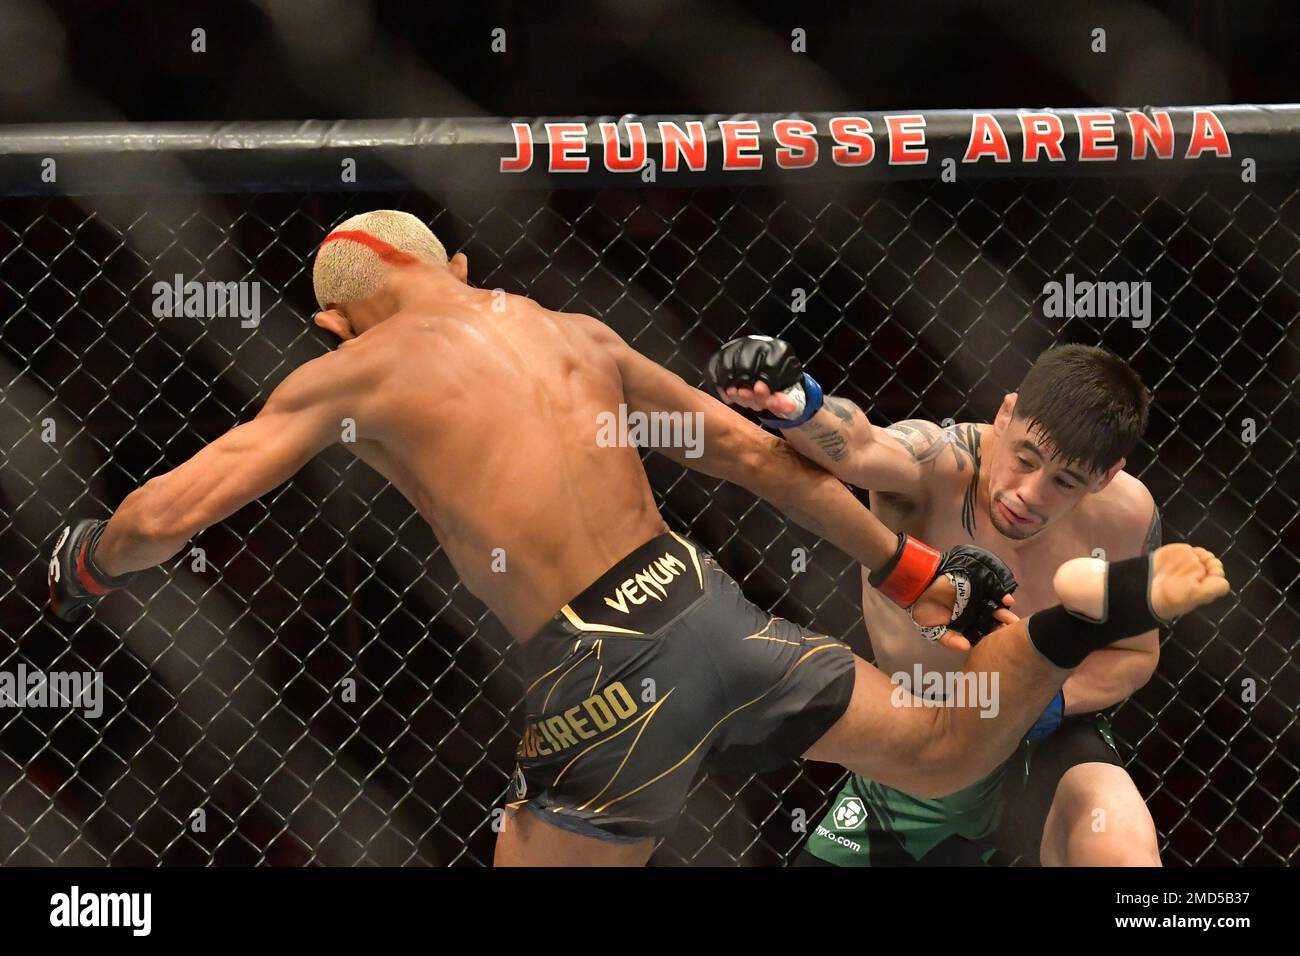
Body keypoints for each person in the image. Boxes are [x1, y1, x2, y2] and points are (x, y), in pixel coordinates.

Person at [48, 211, 1228, 866]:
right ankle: (1077, 616)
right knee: (948, 745)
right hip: (711, 606)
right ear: (457, 268)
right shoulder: (575, 329)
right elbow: (757, 454)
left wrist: (88, 557)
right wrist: (909, 567)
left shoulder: (347, 367)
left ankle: (1082, 615)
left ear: (331, 318)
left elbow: (174, 511)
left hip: (599, 666)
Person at [710, 335, 1166, 865]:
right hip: (925, 741)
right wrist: (794, 401)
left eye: (1065, 482)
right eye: (1026, 457)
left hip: (1042, 743)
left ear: (1106, 476)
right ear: (1006, 413)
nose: (1030, 494)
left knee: (1115, 836)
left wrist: (1055, 702)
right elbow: (859, 446)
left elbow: (1135, 655)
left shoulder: (1127, 517)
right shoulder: (938, 466)